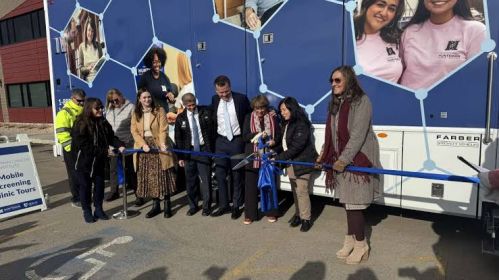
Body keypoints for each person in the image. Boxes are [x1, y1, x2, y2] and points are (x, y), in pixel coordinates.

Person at [316, 65, 381, 264]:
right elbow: (332, 135)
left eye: (337, 80)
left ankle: (362, 245)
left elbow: (358, 135)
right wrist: (324, 155)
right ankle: (350, 240)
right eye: (331, 80)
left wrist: (343, 160)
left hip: (357, 159)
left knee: (355, 204)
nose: (333, 84)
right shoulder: (336, 103)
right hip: (340, 160)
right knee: (347, 202)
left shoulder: (362, 101)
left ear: (349, 80)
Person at [399, 0, 486, 90]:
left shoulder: (476, 31)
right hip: (407, 100)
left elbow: (477, 81)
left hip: (448, 102)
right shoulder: (409, 31)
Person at [71, 98, 125, 223]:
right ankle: (87, 211)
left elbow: (111, 137)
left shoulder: (103, 122)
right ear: (89, 109)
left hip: (99, 162)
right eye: (97, 108)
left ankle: (99, 209)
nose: (101, 110)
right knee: (85, 187)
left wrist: (119, 144)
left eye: (101, 107)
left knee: (99, 186)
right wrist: (104, 152)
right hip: (84, 163)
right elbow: (84, 146)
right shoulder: (80, 123)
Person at [131, 88, 177, 218]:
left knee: (163, 175)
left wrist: (162, 143)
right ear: (139, 99)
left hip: (159, 145)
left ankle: (167, 204)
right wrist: (142, 144)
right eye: (144, 97)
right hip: (144, 149)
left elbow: (164, 128)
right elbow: (134, 131)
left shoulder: (159, 110)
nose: (147, 100)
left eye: (149, 97)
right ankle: (155, 205)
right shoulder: (136, 113)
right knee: (150, 177)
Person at [210, 75, 251, 219]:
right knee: (220, 175)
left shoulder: (241, 99)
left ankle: (236, 206)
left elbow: (251, 114)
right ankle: (223, 206)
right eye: (221, 92)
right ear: (216, 91)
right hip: (220, 142)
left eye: (226, 91)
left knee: (237, 175)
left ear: (230, 87)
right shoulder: (215, 100)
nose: (224, 95)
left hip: (237, 141)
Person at [274, 97, 318, 232]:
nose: (282, 112)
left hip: (302, 162)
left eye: (284, 109)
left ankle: (306, 219)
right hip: (291, 162)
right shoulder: (286, 124)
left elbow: (297, 146)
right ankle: (298, 215)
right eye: (281, 110)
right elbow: (284, 144)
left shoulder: (301, 123)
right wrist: (273, 151)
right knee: (295, 191)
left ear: (292, 108)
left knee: (302, 191)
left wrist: (278, 157)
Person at [242, 95, 281, 225]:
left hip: (268, 156)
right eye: (257, 108)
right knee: (251, 187)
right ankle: (250, 215)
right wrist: (257, 135)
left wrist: (274, 141)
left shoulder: (272, 116)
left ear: (266, 107)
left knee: (269, 185)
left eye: (262, 107)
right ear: (253, 107)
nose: (260, 111)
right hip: (253, 155)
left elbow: (279, 135)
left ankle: (271, 212)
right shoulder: (248, 117)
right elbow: (245, 136)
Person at [175, 93, 215, 216]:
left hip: (203, 150)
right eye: (189, 106)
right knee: (190, 181)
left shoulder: (205, 112)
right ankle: (193, 205)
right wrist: (180, 157)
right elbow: (178, 138)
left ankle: (206, 206)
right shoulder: (180, 118)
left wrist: (211, 150)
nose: (192, 107)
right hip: (189, 152)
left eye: (193, 104)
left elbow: (213, 129)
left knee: (206, 179)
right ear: (184, 105)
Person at [104, 89, 144, 205]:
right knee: (114, 170)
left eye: (116, 100)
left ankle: (139, 195)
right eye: (111, 101)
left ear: (121, 96)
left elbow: (136, 126)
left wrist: (132, 141)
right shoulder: (109, 109)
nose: (114, 103)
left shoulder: (131, 107)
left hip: (128, 144)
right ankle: (114, 191)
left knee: (132, 171)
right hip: (113, 144)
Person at [354, 0, 405, 82]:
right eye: (380, 5)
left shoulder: (395, 38)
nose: (384, 13)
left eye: (391, 9)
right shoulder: (346, 37)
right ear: (367, 4)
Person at [55, 88, 86, 208]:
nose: (82, 103)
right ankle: (76, 198)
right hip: (71, 149)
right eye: (79, 101)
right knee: (74, 174)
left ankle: (84, 195)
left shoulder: (83, 110)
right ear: (72, 98)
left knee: (84, 173)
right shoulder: (64, 113)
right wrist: (70, 148)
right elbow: (62, 133)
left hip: (83, 148)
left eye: (83, 100)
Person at [138, 47, 178, 113]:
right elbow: (140, 96)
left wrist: (171, 97)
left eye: (159, 62)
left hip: (164, 113)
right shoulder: (145, 77)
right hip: (151, 113)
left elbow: (170, 95)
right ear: (150, 63)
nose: (157, 65)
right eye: (154, 62)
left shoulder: (164, 77)